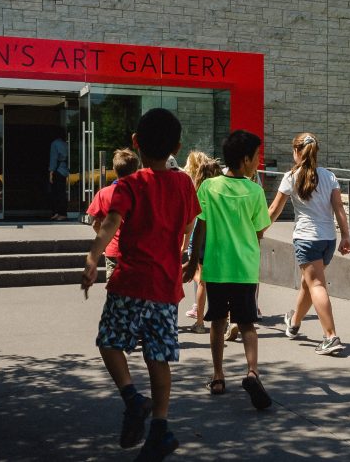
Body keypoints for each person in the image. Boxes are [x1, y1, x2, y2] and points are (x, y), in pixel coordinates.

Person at [81, 108, 200, 461]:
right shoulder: (183, 183)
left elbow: (110, 224)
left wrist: (91, 259)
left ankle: (133, 399)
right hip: (164, 287)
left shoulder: (130, 185)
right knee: (157, 357)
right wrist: (186, 250)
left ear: (136, 144)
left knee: (109, 342)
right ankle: (160, 429)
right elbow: (191, 221)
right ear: (177, 145)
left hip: (130, 282)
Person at [182, 130, 273, 409]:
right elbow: (259, 231)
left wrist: (192, 259)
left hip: (216, 267)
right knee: (247, 324)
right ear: (245, 160)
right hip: (245, 268)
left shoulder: (209, 188)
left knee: (217, 322)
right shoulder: (256, 191)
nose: (257, 162)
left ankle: (218, 375)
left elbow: (201, 228)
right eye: (256, 157)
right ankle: (252, 372)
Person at [267, 132, 350, 356]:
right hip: (328, 240)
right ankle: (294, 323)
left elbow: (274, 210)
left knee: (315, 284)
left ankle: (330, 336)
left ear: (297, 152)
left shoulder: (291, 177)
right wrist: (346, 236)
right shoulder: (329, 176)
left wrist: (257, 232)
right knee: (309, 283)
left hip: (307, 239)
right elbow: (339, 209)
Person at [182, 151, 221, 334]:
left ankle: (199, 323)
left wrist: (187, 245)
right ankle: (229, 320)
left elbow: (194, 224)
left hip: (202, 241)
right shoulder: (222, 193)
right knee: (223, 283)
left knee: (202, 281)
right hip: (220, 241)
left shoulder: (199, 192)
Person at [87, 149, 142, 275]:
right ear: (136, 170)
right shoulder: (142, 193)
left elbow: (95, 223)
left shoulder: (103, 193)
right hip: (137, 252)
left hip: (113, 250)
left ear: (114, 169)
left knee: (114, 288)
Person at [49, 128, 70, 221]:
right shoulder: (65, 144)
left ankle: (60, 213)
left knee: (57, 193)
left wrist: (51, 172)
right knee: (61, 192)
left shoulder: (54, 143)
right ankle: (60, 213)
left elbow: (53, 158)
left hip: (57, 170)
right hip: (64, 170)